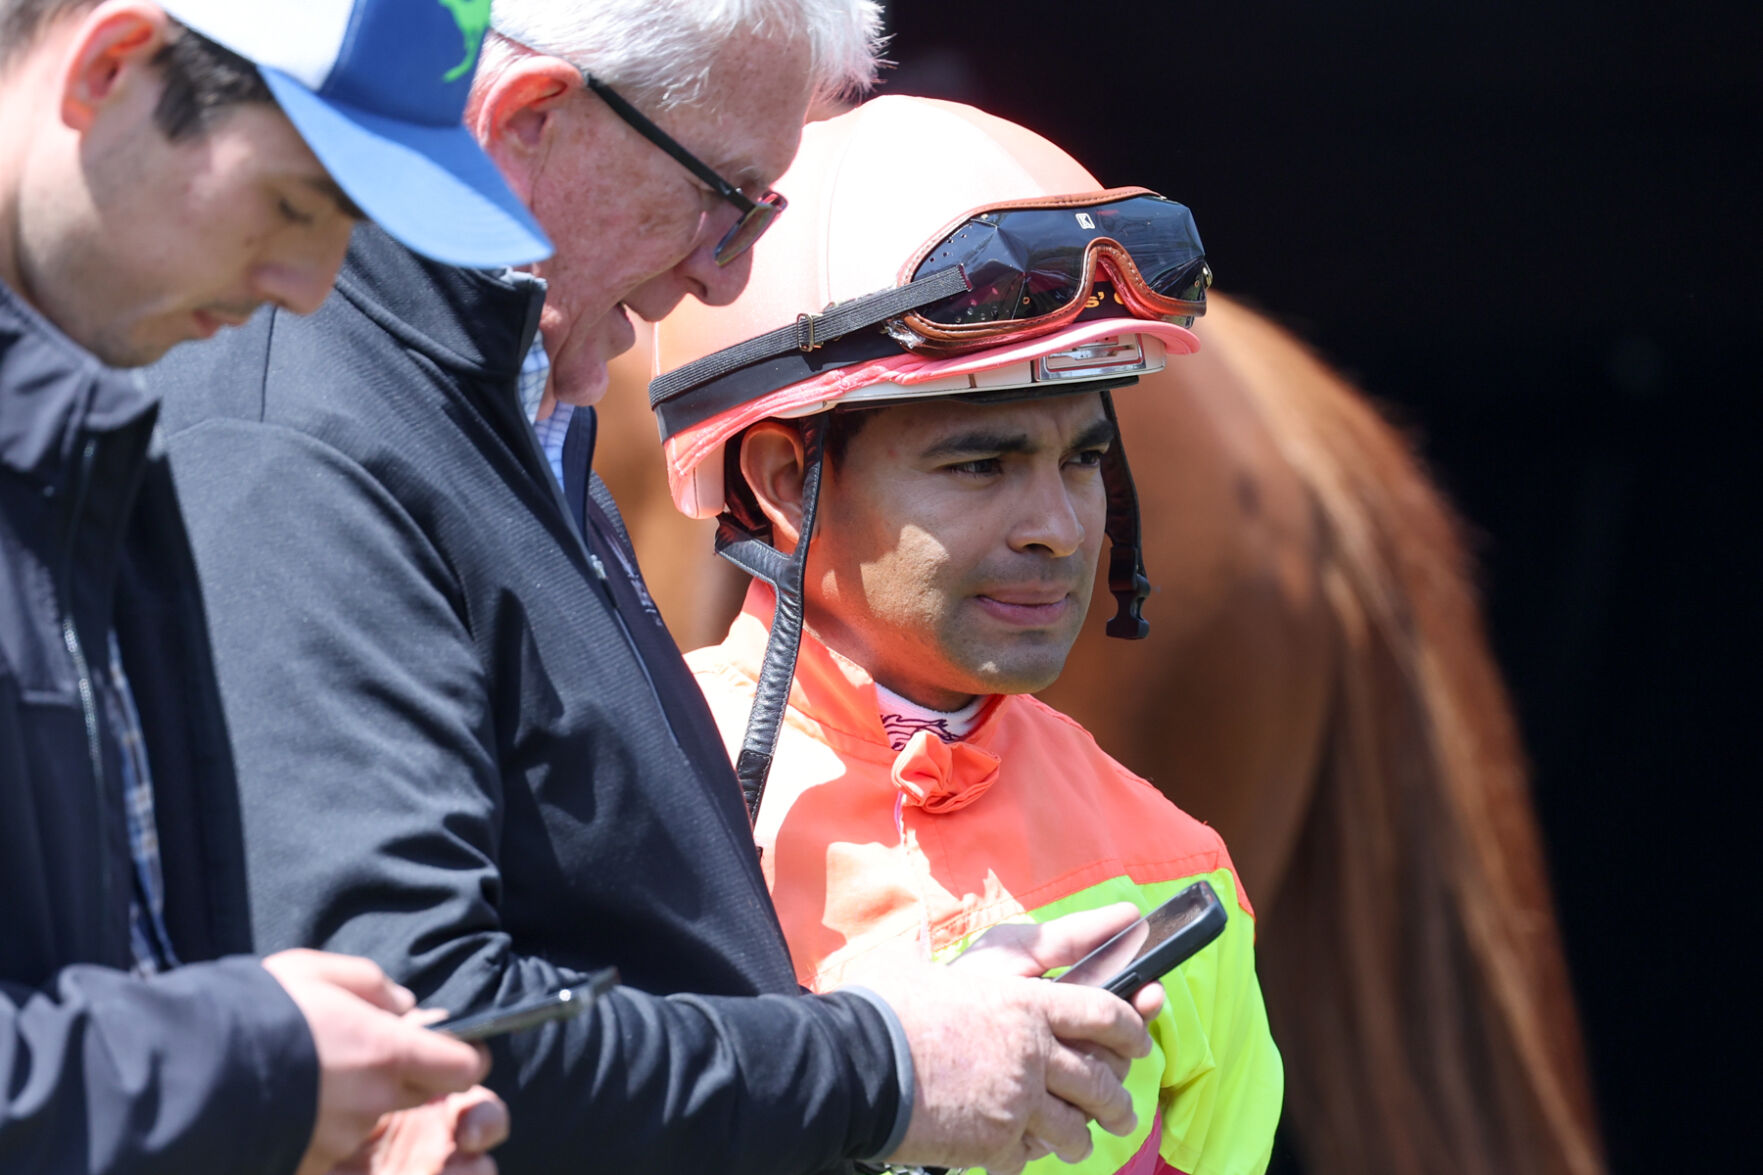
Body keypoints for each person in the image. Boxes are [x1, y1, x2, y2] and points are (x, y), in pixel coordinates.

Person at [141, 3, 1166, 1174]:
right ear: (533, 121)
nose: (726, 278)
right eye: (723, 197)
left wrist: (859, 1023)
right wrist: (882, 1065)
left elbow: (586, 932)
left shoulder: (507, 405)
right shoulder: (312, 437)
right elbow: (411, 1034)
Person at [649, 96, 1286, 1175]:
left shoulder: (1178, 871)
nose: (1055, 528)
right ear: (783, 481)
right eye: (978, 464)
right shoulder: (616, 799)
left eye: (1081, 460)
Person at [1, 0, 551, 1170]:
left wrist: (302, 1122)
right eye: (295, 202)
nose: (307, 286)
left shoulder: (99, 441)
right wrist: (253, 1059)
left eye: (347, 225)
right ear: (109, 66)